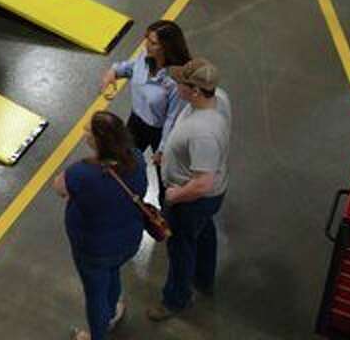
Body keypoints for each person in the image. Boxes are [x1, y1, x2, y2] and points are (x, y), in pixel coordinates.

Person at [148, 59, 231, 323]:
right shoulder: (219, 97)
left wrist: (175, 195)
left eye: (181, 83)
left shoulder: (203, 133)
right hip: (207, 196)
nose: (176, 85)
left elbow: (202, 183)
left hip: (193, 199)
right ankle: (204, 279)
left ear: (195, 91)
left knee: (180, 248)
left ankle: (176, 299)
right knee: (204, 231)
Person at [53, 111, 149, 340]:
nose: (84, 132)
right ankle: (113, 310)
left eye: (88, 130)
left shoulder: (82, 173)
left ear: (98, 141)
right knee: (113, 272)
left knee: (95, 294)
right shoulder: (136, 158)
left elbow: (59, 187)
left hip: (94, 250)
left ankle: (98, 335)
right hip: (128, 241)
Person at [98, 20, 191, 159]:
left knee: (163, 169)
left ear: (167, 48)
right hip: (136, 121)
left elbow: (172, 118)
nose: (146, 45)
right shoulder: (145, 56)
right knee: (126, 160)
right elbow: (131, 67)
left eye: (153, 43)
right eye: (147, 38)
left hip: (159, 131)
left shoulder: (175, 81)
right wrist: (114, 72)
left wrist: (162, 149)